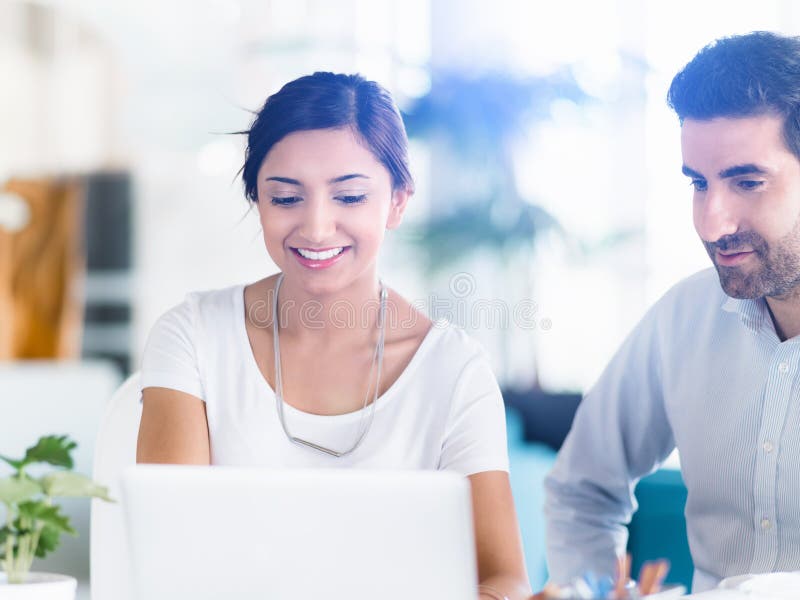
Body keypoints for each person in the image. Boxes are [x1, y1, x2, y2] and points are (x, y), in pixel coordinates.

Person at [136, 72, 531, 600]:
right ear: (257, 199)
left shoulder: (455, 371)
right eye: (286, 198)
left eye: (348, 197)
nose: (317, 228)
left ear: (397, 201)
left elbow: (502, 578)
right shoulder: (194, 336)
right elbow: (167, 554)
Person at [544, 31, 800, 593]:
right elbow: (580, 490)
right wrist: (591, 589)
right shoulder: (682, 319)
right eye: (698, 183)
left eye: (747, 182)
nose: (713, 224)